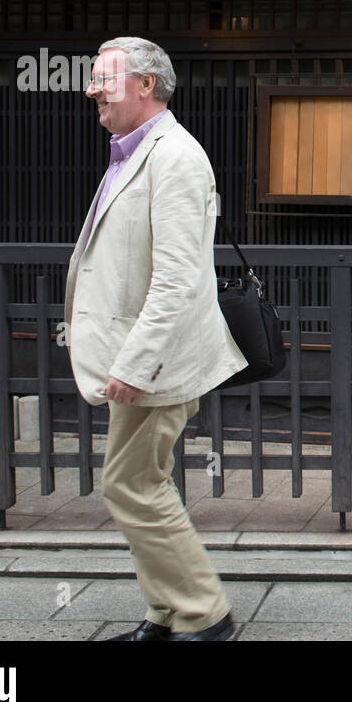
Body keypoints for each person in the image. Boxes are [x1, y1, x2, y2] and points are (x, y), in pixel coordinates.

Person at [64, 36, 248, 640]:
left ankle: (203, 612)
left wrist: (137, 364)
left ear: (146, 85)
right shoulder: (136, 151)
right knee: (137, 482)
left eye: (102, 78)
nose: (90, 89)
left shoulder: (175, 156)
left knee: (132, 483)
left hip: (158, 360)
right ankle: (165, 613)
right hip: (143, 357)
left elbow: (177, 280)